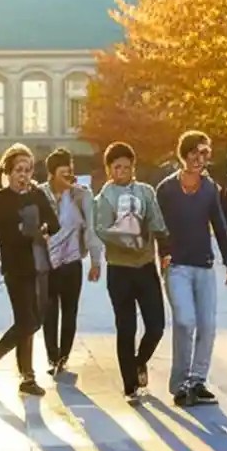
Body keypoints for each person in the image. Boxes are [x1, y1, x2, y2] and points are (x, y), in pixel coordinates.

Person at [157, 130, 227, 407]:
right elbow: (158, 226)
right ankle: (180, 384)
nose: (199, 159)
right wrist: (163, 253)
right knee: (184, 321)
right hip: (176, 265)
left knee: (208, 325)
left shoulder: (209, 188)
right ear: (184, 153)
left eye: (204, 153)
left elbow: (219, 224)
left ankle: (198, 381)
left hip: (203, 265)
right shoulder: (166, 189)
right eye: (194, 152)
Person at [0, 144, 60, 396]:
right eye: (18, 170)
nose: (23, 174)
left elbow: (54, 223)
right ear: (9, 172)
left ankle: (11, 369)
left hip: (40, 264)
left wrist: (43, 230)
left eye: (27, 169)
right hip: (16, 267)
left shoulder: (36, 194)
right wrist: (25, 230)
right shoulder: (0, 199)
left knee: (35, 320)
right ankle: (9, 367)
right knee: (27, 321)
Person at [93, 141, 169, 403]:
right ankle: (130, 386)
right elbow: (102, 229)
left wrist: (161, 245)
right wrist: (126, 236)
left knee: (156, 326)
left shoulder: (146, 192)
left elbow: (158, 223)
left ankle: (140, 361)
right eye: (117, 167)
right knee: (126, 329)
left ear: (133, 167)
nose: (122, 171)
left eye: (127, 166)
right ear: (109, 169)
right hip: (120, 271)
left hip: (146, 267)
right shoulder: (103, 198)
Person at [39, 149, 101, 377]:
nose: (69, 177)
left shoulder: (81, 196)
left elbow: (91, 229)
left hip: (72, 262)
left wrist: (96, 261)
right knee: (48, 311)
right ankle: (52, 356)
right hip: (47, 264)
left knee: (70, 311)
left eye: (71, 172)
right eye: (64, 173)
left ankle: (63, 357)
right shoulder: (40, 194)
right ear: (52, 174)